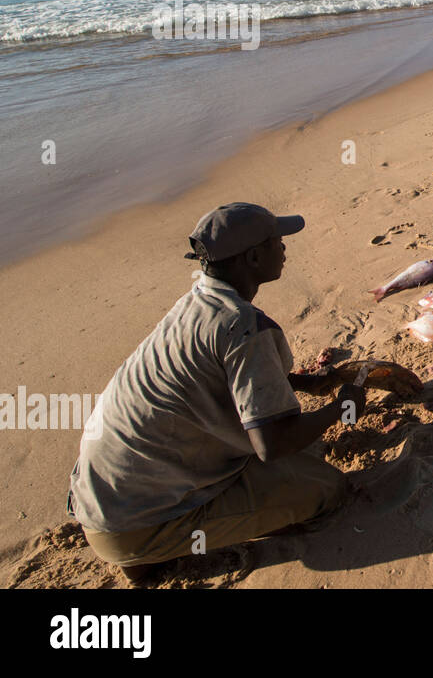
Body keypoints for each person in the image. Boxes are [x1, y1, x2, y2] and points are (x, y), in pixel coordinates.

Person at [67, 203, 365, 582]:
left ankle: (151, 544)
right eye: (277, 241)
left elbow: (217, 376)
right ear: (254, 256)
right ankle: (154, 554)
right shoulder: (244, 326)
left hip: (102, 496)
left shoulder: (195, 304)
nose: (285, 248)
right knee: (327, 489)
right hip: (133, 525)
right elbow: (271, 445)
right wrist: (340, 409)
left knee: (291, 447)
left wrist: (307, 384)